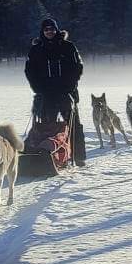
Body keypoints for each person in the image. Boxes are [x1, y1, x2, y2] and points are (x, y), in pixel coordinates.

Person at [24, 16, 85, 166]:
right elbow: (30, 71)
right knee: (46, 127)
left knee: (73, 124)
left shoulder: (68, 46)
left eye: (52, 29)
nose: (49, 32)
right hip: (46, 94)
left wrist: (70, 87)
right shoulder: (36, 50)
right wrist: (38, 89)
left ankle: (78, 157)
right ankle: (47, 157)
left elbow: (78, 67)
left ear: (56, 30)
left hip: (66, 92)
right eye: (46, 29)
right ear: (42, 32)